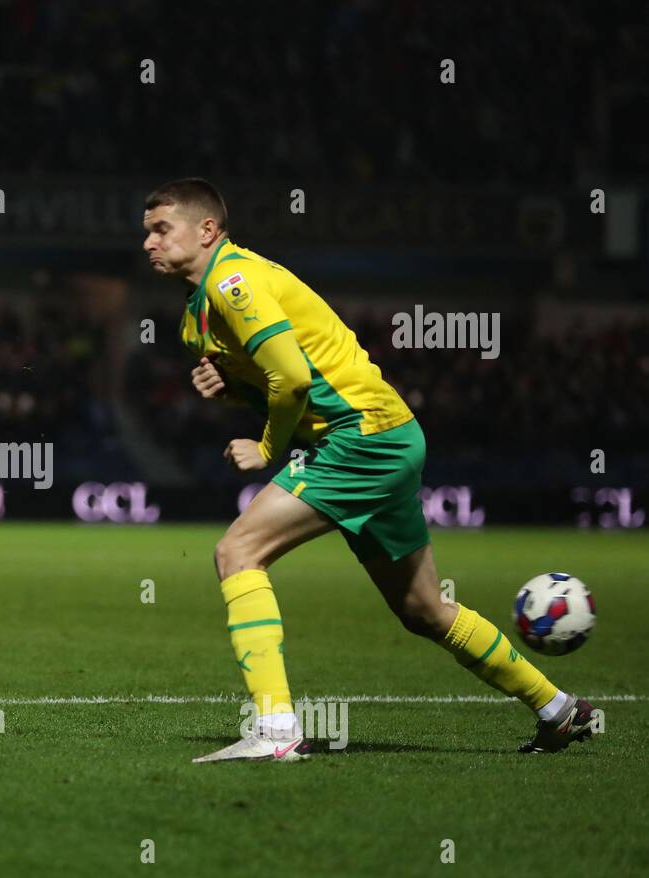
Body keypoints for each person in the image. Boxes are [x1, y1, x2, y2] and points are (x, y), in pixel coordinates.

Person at [142, 177, 599, 762]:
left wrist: (265, 447)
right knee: (425, 610)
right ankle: (559, 709)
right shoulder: (198, 314)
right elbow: (278, 379)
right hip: (387, 435)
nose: (150, 242)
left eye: (162, 229)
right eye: (147, 232)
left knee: (238, 552)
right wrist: (229, 388)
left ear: (207, 230)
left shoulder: (235, 282)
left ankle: (277, 732)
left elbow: (296, 381)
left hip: (360, 438)